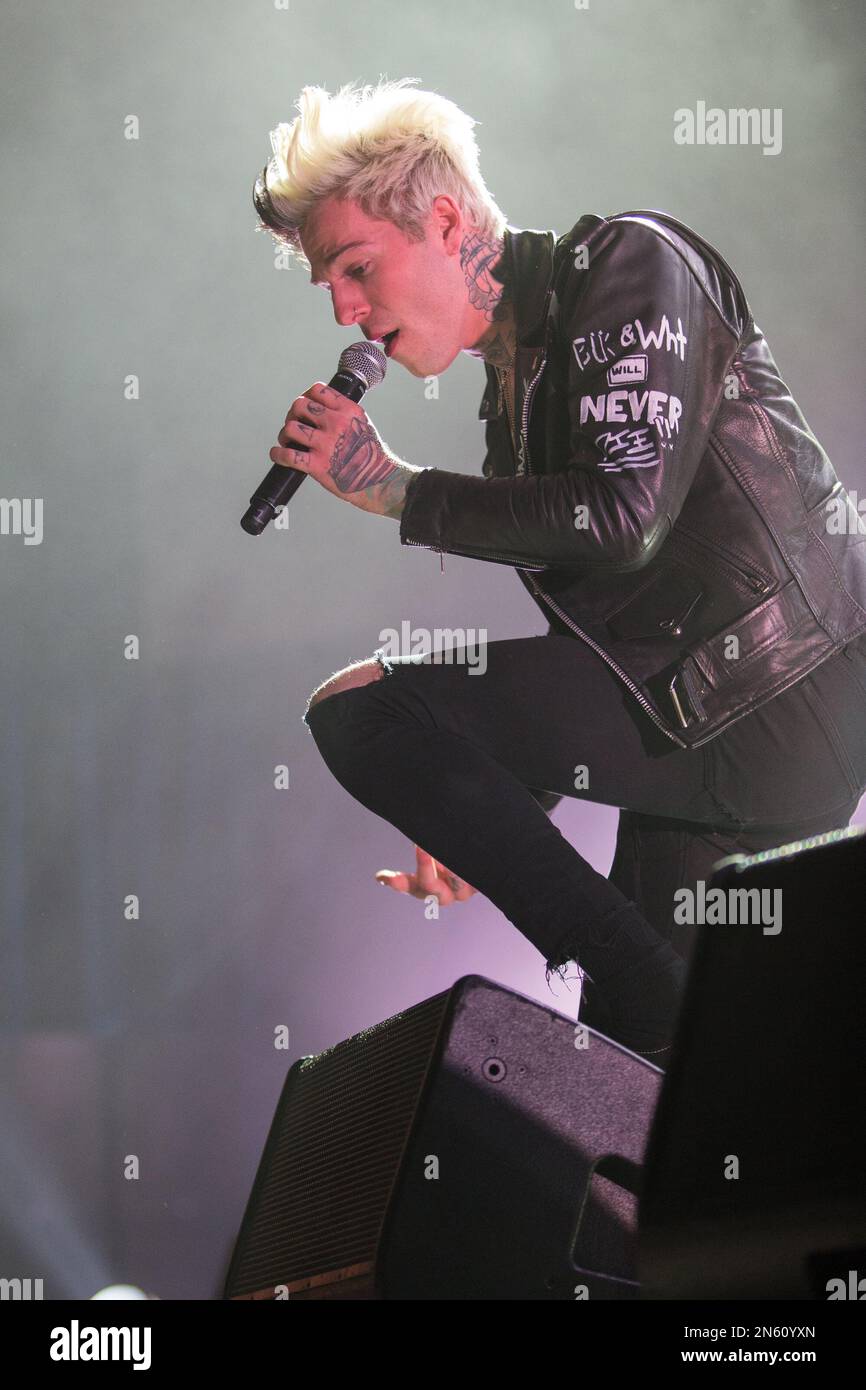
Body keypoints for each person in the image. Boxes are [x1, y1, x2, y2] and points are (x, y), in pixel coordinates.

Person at [251, 78, 866, 1067]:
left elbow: (620, 515)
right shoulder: (514, 397)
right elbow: (607, 628)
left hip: (782, 689)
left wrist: (390, 487)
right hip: (701, 725)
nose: (346, 308)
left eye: (355, 266)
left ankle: (655, 1008)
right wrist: (487, 796)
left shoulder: (628, 263)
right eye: (328, 286)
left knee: (362, 711)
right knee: (638, 1086)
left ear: (445, 220)